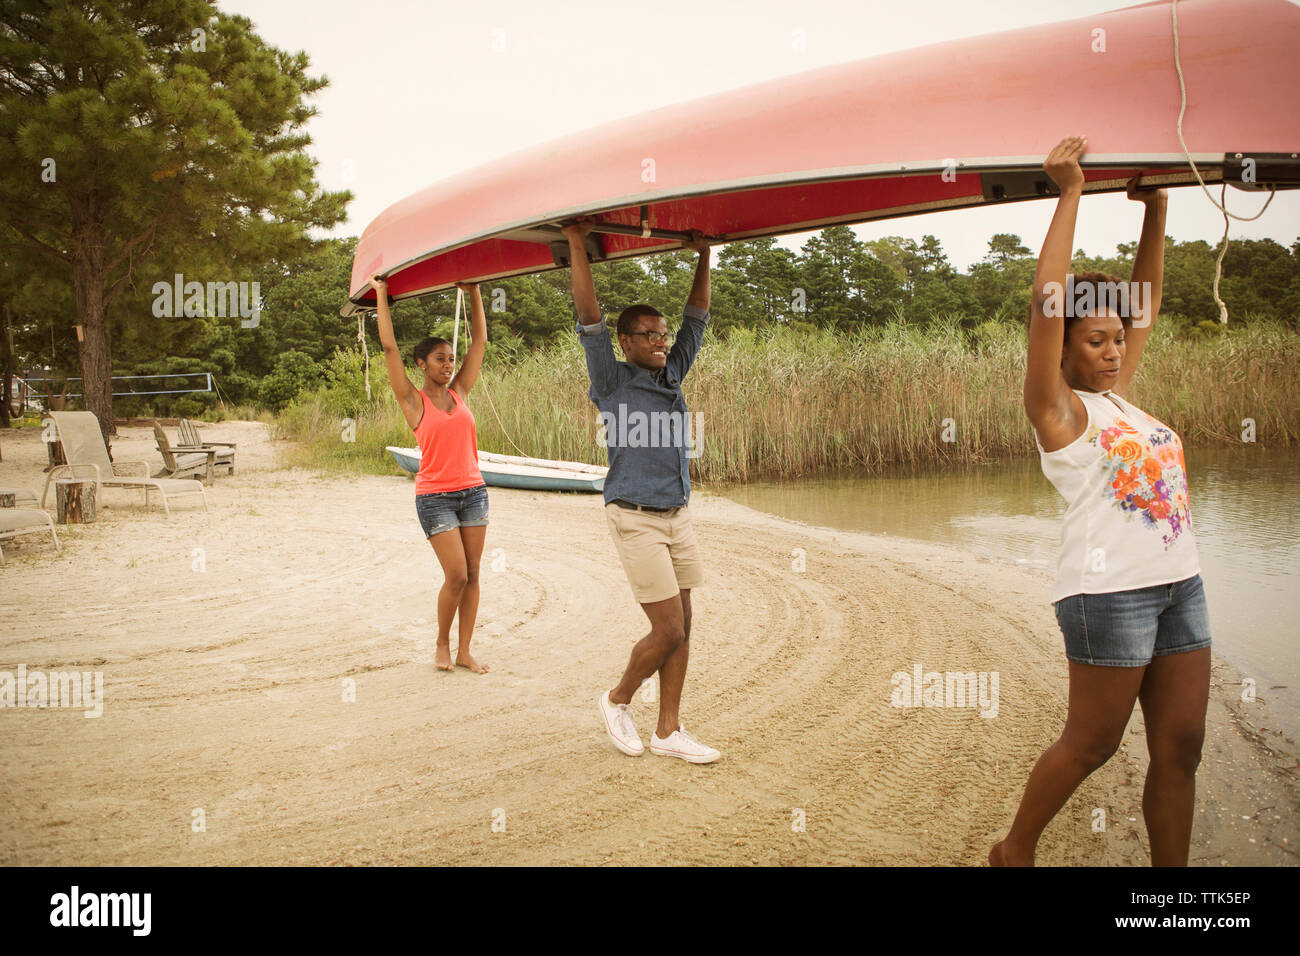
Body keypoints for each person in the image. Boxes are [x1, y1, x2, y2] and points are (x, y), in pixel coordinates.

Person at [991, 136, 1209, 866]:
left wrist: (1157, 210)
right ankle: (1014, 849)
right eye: (1096, 342)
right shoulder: (1059, 410)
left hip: (1181, 587)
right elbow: (1049, 301)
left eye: (1118, 339)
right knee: (1094, 743)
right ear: (1062, 351)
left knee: (1181, 746)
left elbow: (1143, 300)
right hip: (1108, 595)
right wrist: (1071, 192)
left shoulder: (1120, 402)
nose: (1114, 351)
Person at [562, 217, 719, 763]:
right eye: (648, 335)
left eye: (662, 334)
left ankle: (669, 731)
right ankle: (615, 699)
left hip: (678, 514)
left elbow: (696, 319)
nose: (660, 341)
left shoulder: (671, 374)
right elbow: (589, 318)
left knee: (685, 626)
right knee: (668, 627)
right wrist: (578, 244)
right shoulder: (612, 379)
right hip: (635, 515)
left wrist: (704, 252)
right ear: (626, 341)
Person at [372, 274, 491, 674]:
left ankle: (465, 650)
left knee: (474, 574)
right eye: (440, 359)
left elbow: (479, 343)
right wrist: (381, 293)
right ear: (422, 364)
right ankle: (441, 643)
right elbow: (389, 346)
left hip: (473, 492)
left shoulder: (460, 392)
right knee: (456, 574)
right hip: (435, 498)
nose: (448, 365)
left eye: (450, 359)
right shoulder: (412, 400)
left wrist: (473, 292)